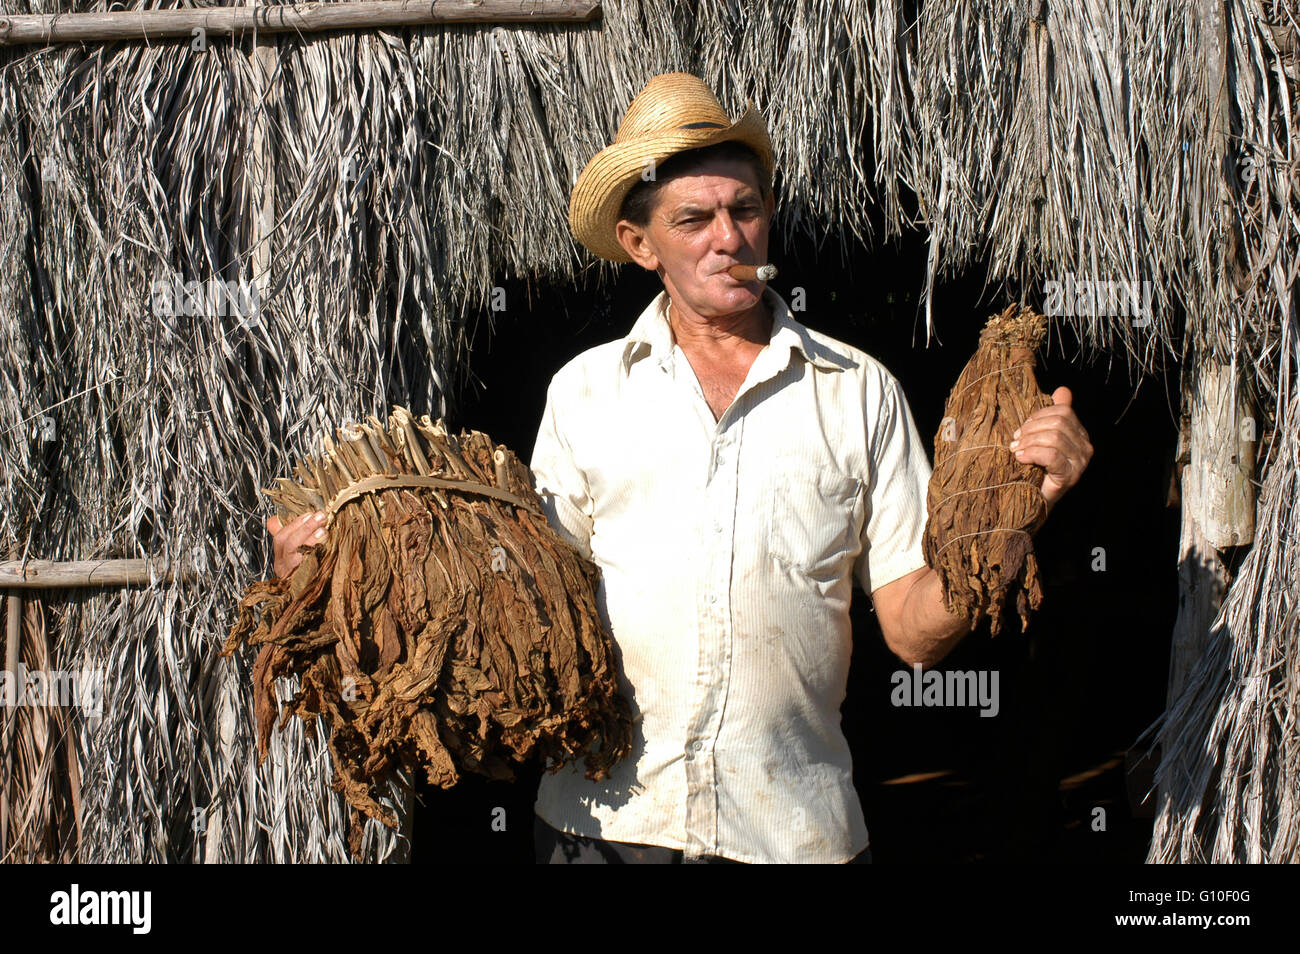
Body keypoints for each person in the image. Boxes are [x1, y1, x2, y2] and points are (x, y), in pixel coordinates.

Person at [267, 72, 1093, 864]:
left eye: (745, 210)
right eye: (693, 219)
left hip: (796, 836)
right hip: (602, 826)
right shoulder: (587, 391)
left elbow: (915, 633)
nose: (728, 238)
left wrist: (1025, 507)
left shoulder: (859, 393)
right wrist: (331, 584)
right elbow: (520, 609)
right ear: (640, 243)